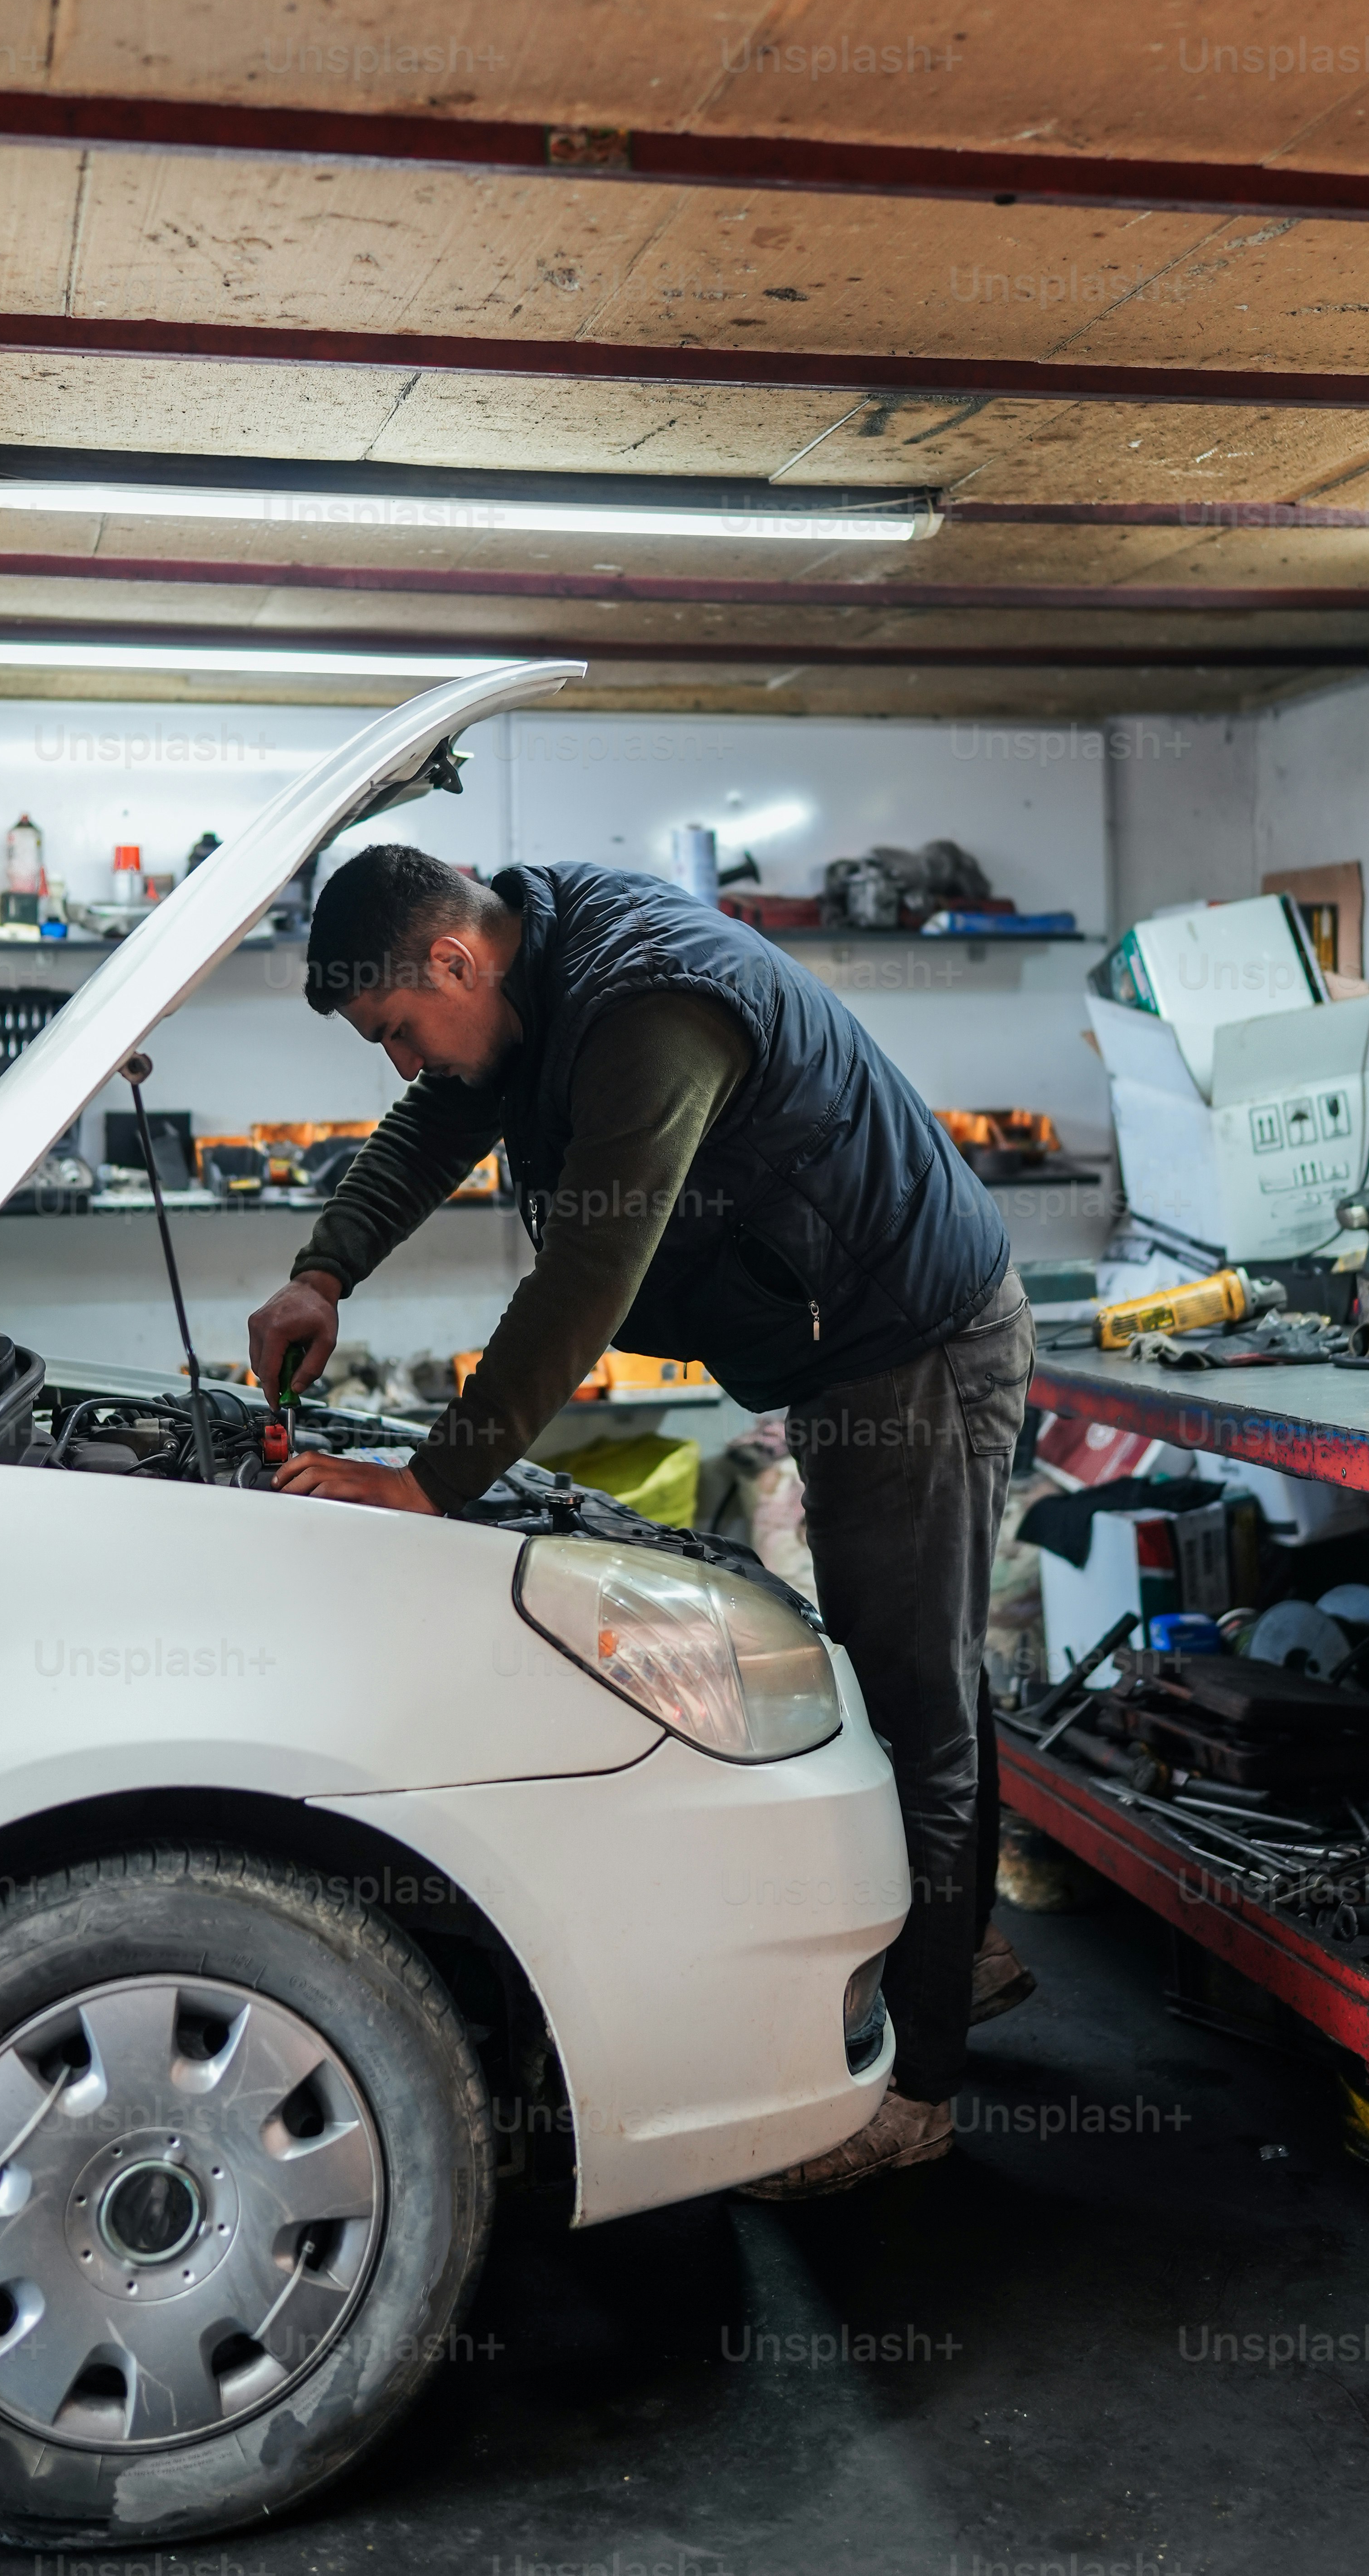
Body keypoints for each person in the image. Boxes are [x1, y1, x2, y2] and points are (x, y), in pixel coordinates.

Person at [248, 844, 1035, 2195]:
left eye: (393, 1030)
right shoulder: (522, 958)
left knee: (909, 1698)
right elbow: (443, 1111)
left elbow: (588, 1273)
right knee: (917, 1657)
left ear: (450, 960)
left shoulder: (649, 1007)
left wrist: (432, 1483)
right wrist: (323, 1269)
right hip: (841, 1337)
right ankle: (959, 1950)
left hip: (911, 1342)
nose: (395, 1061)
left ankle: (918, 2086)